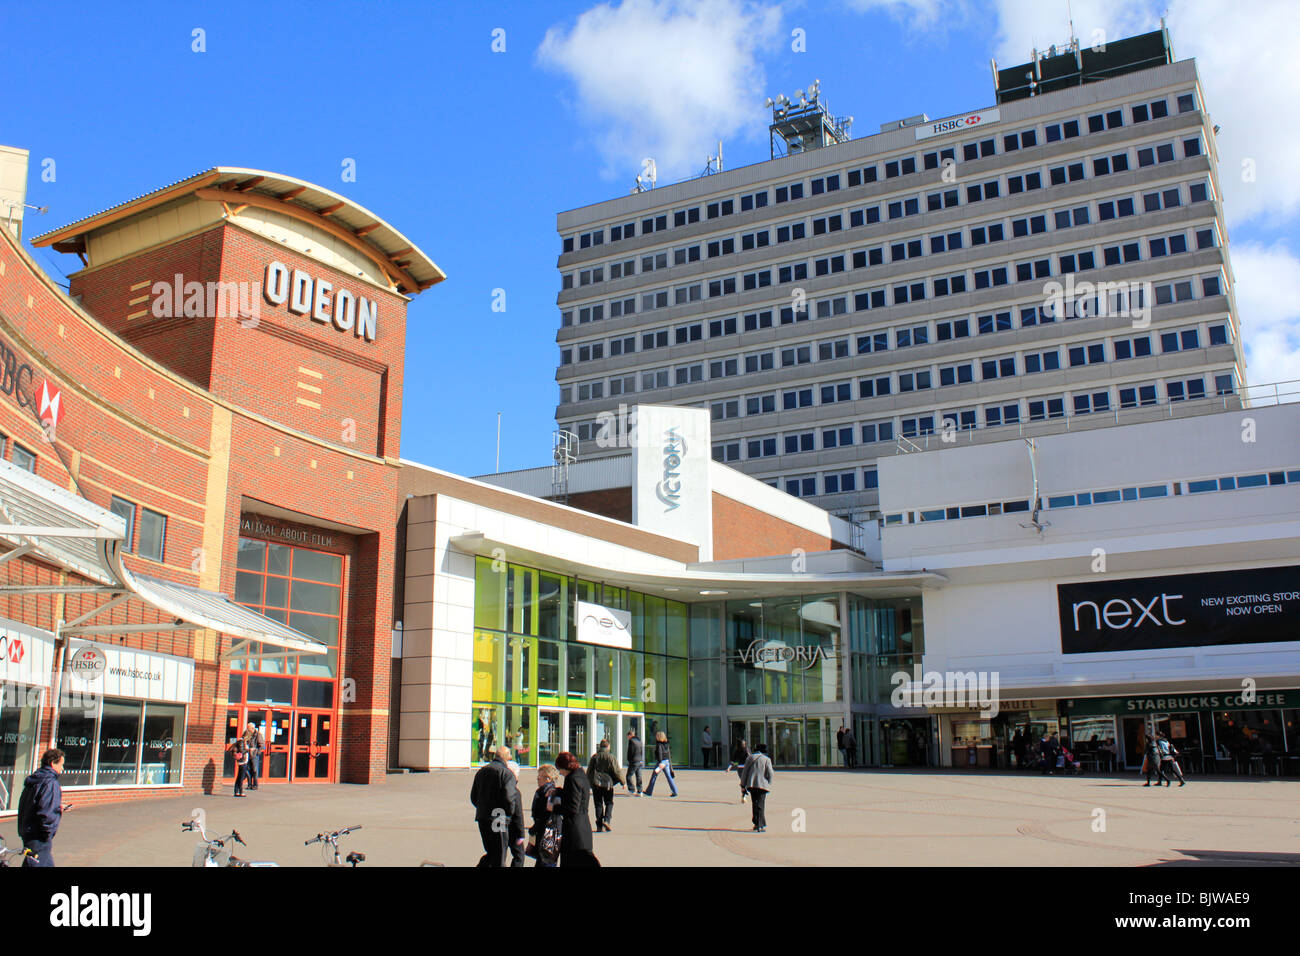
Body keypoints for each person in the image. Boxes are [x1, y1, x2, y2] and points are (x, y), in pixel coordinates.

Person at [470, 745, 526, 867]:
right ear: (506, 758)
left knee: (490, 851)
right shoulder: (507, 774)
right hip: (499, 817)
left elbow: (474, 797)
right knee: (499, 854)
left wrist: (483, 807)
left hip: (483, 817)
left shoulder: (481, 771)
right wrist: (508, 814)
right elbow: (509, 798)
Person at [17, 748, 71, 867]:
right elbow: (46, 812)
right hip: (38, 835)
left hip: (28, 830)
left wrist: (58, 807)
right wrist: (48, 832)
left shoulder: (35, 780)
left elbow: (34, 803)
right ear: (52, 763)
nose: (63, 769)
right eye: (61, 765)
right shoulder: (50, 783)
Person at [555, 751, 599, 866]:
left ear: (565, 767)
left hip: (575, 831)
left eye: (560, 769)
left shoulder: (572, 779)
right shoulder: (580, 775)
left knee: (573, 860)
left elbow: (573, 807)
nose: (560, 773)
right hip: (582, 827)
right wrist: (558, 791)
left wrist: (554, 808)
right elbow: (574, 795)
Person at [587, 740, 625, 832]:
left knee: (598, 804)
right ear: (608, 747)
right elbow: (617, 771)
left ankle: (599, 825)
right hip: (608, 783)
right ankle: (607, 820)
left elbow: (589, 772)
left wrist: (588, 783)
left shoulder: (595, 757)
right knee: (609, 802)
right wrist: (623, 782)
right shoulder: (611, 757)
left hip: (596, 783)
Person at [528, 765, 561, 867]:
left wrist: (535, 828)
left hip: (549, 834)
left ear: (548, 778)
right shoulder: (543, 791)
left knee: (546, 862)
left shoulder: (550, 793)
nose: (537, 778)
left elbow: (548, 814)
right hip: (546, 832)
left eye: (540, 776)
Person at [740, 743, 774, 832]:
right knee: (761, 804)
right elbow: (770, 773)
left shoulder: (750, 758)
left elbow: (745, 772)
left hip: (752, 784)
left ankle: (756, 823)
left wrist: (743, 785)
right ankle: (760, 824)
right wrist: (768, 782)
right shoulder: (767, 759)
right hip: (762, 785)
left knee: (754, 803)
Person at [644, 730, 678, 797]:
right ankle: (675, 791)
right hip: (666, 761)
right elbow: (668, 754)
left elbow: (659, 754)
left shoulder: (658, 744)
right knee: (669, 777)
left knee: (654, 776)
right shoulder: (667, 744)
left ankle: (649, 791)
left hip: (661, 762)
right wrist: (671, 767)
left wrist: (660, 762)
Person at [242, 720, 265, 791]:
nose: (247, 730)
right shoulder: (246, 733)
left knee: (254, 770)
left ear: (252, 728)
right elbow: (243, 741)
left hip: (254, 755)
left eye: (249, 728)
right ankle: (249, 784)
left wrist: (256, 752)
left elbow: (261, 745)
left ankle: (255, 785)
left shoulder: (258, 735)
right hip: (247, 754)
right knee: (247, 769)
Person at [624, 728, 645, 796]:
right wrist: (641, 759)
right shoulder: (639, 741)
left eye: (628, 736)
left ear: (630, 735)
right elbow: (641, 751)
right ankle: (640, 791)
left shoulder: (631, 741)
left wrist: (629, 759)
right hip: (639, 760)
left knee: (628, 776)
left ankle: (631, 789)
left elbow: (631, 751)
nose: (628, 738)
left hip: (633, 761)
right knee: (638, 776)